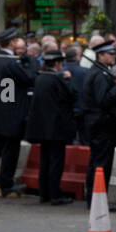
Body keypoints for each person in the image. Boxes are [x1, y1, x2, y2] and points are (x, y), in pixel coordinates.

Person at [0, 29, 37, 199]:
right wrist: (32, 62)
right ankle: (6, 183)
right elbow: (28, 78)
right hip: (11, 113)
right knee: (10, 150)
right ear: (12, 43)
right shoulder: (9, 63)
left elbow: (2, 87)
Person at [26, 50, 77, 204]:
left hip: (43, 127)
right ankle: (55, 193)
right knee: (56, 161)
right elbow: (71, 95)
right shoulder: (58, 79)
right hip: (57, 127)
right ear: (56, 63)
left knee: (45, 159)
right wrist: (69, 80)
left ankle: (44, 193)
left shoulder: (40, 78)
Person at [82, 41, 116, 205]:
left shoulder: (101, 72)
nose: (114, 56)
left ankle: (94, 198)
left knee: (97, 162)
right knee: (101, 164)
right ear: (101, 56)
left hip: (101, 124)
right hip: (102, 126)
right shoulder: (100, 75)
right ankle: (97, 200)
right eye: (110, 54)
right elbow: (103, 101)